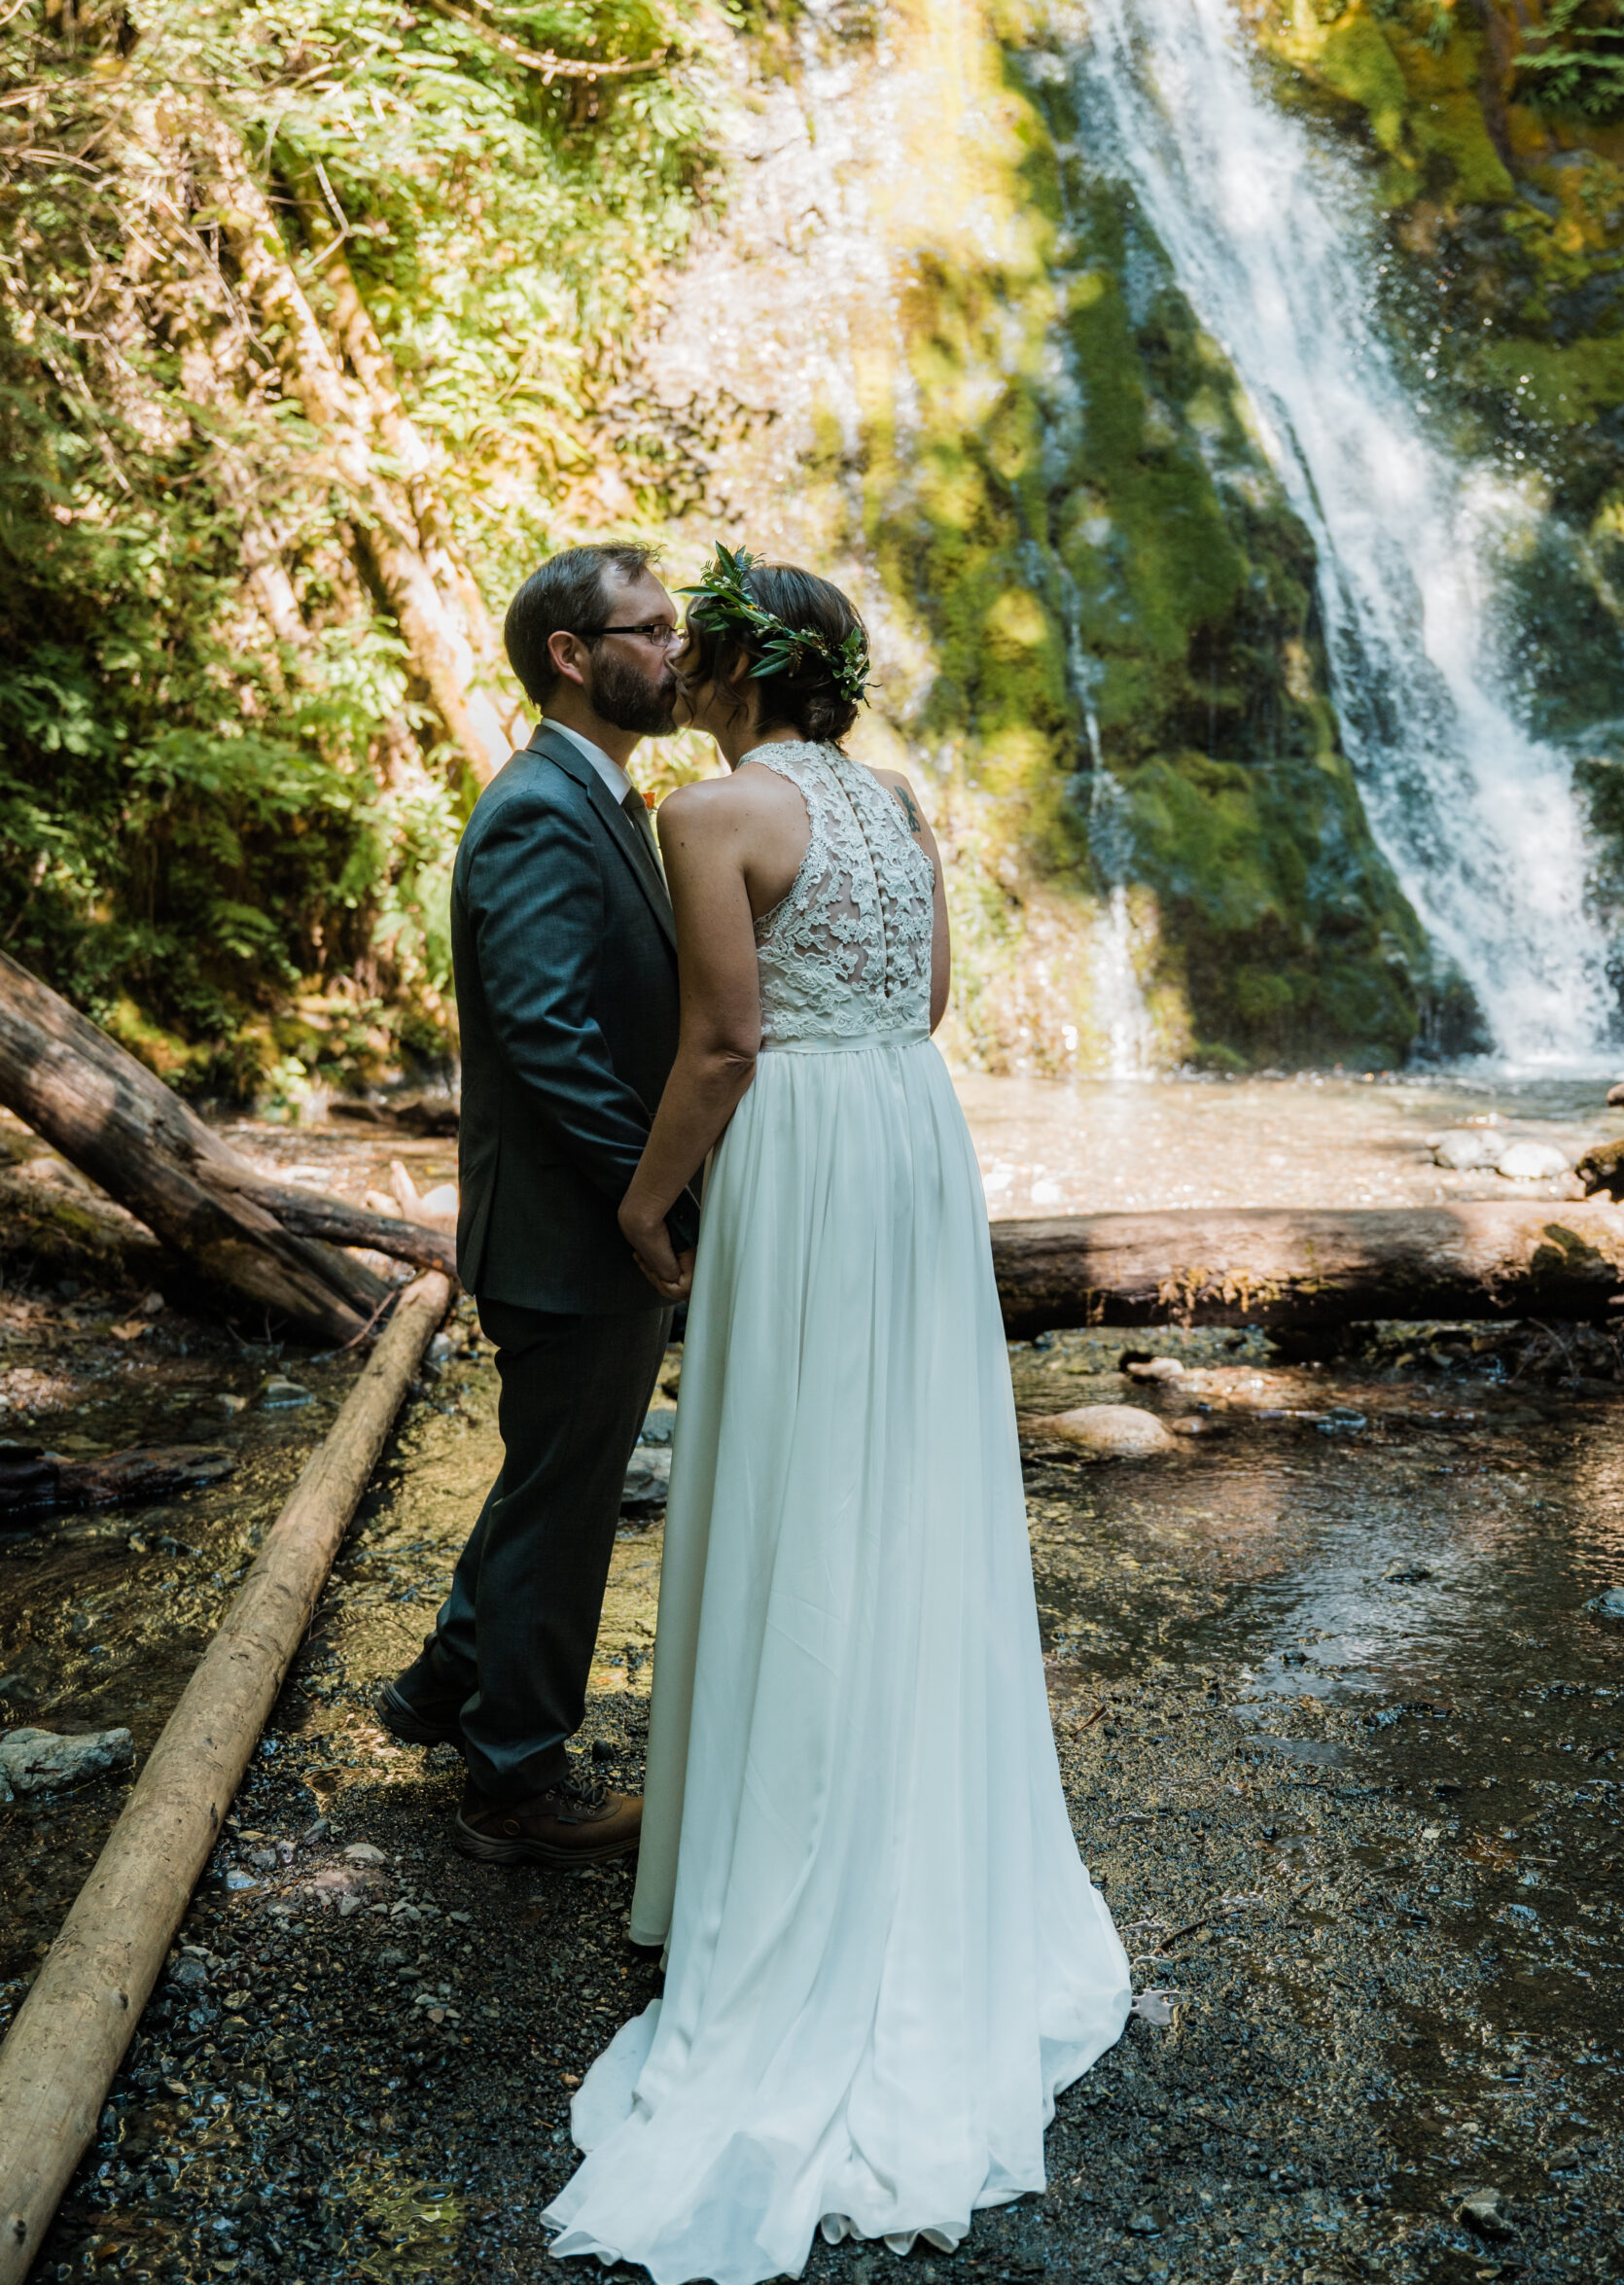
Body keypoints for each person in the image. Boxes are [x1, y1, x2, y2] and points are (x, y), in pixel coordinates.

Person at [542, 548, 1132, 2283]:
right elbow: (933, 1004)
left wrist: (651, 1208)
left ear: (729, 669)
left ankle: (783, 1864)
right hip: (906, 1141)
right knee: (903, 1492)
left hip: (800, 1145)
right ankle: (916, 1839)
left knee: (793, 1483)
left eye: (693, 651)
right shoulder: (895, 804)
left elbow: (723, 1044)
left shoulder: (714, 819)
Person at [374, 542, 696, 1870]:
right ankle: (514, 1784)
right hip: (574, 1236)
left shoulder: (605, 796)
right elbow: (551, 1032)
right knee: (566, 1506)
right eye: (656, 629)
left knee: (548, 1480)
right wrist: (648, 1200)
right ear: (573, 654)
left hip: (579, 1231)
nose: (681, 650)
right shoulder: (538, 808)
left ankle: (441, 1694)